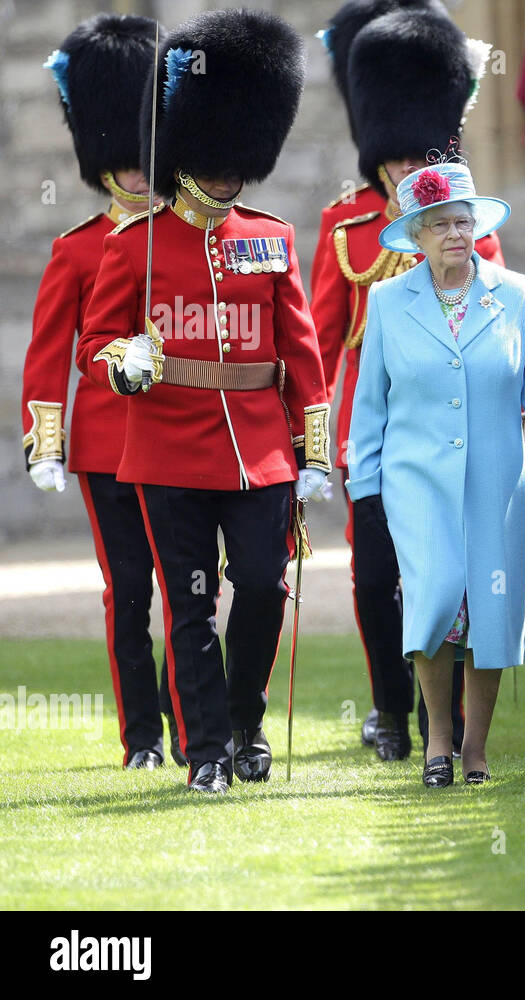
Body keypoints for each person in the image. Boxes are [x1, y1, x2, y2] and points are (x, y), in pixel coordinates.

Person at [75, 8, 329, 794]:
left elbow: (301, 349)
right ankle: (210, 752)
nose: (225, 181)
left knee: (261, 584)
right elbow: (95, 343)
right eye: (214, 166)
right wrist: (126, 363)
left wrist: (312, 448)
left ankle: (246, 715)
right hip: (166, 447)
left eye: (235, 168)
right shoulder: (136, 243)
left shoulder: (270, 237)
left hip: (257, 446)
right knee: (190, 605)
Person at [313, 0, 503, 760]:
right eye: (392, 157)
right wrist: (309, 437)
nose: (403, 168)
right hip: (375, 433)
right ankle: (390, 709)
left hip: (451, 427)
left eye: (414, 154)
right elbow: (320, 342)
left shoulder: (472, 229)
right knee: (375, 579)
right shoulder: (346, 228)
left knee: (449, 578)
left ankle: (444, 721)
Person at [346, 160, 525, 788]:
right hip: (415, 482)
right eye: (438, 224)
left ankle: (474, 750)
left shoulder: (517, 292)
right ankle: (436, 744)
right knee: (437, 600)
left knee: (490, 610)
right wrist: (363, 485)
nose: (453, 233)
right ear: (415, 237)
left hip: (497, 483)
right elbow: (370, 405)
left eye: (461, 222)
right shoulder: (389, 302)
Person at [21, 12, 178, 770]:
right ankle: (141, 739)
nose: (142, 173)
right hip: (109, 447)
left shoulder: (191, 239)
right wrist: (45, 442)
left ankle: (194, 729)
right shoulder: (77, 249)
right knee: (129, 599)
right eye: (128, 161)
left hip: (181, 441)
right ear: (105, 161)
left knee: (186, 594)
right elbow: (49, 352)